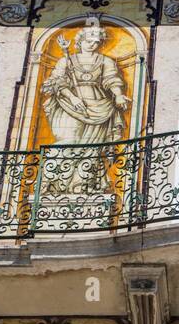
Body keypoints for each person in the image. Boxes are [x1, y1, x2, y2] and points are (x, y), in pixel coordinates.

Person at [41, 24, 129, 196]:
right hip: (70, 104)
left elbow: (112, 79)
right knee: (67, 140)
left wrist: (118, 95)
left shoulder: (105, 61)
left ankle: (81, 186)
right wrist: (72, 97)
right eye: (89, 40)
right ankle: (53, 183)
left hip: (99, 107)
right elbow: (56, 81)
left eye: (97, 41)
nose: (93, 44)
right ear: (80, 41)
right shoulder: (66, 60)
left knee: (92, 149)